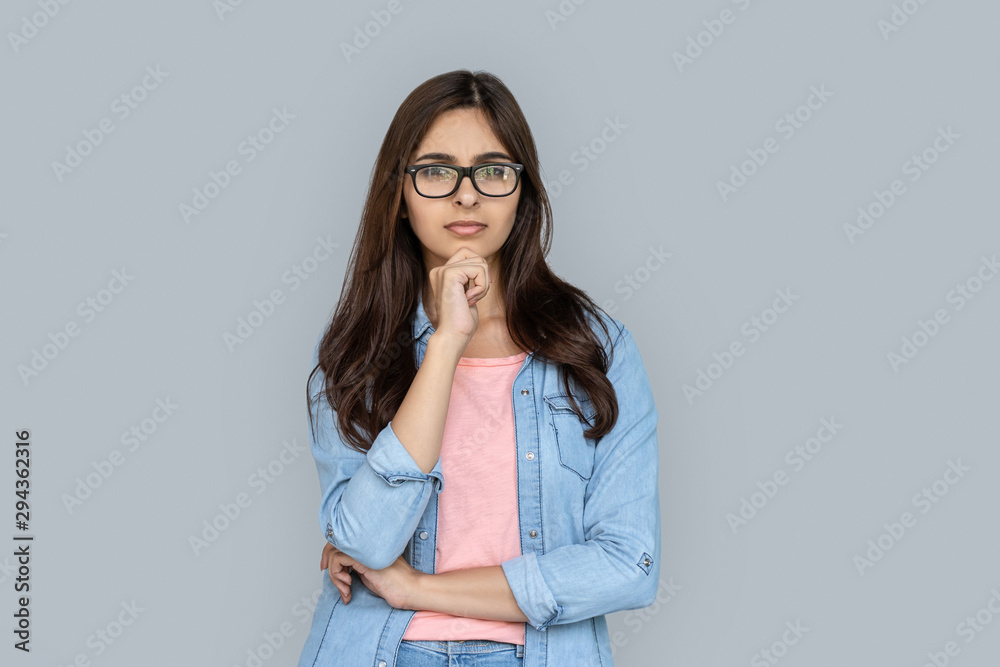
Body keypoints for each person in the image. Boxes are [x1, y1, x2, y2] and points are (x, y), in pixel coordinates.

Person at [296, 69, 661, 667]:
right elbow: (365, 540)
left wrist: (418, 589)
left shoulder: (599, 351)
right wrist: (445, 344)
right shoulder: (353, 350)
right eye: (436, 170)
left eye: (493, 170)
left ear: (523, 193)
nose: (467, 195)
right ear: (400, 195)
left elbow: (628, 565)